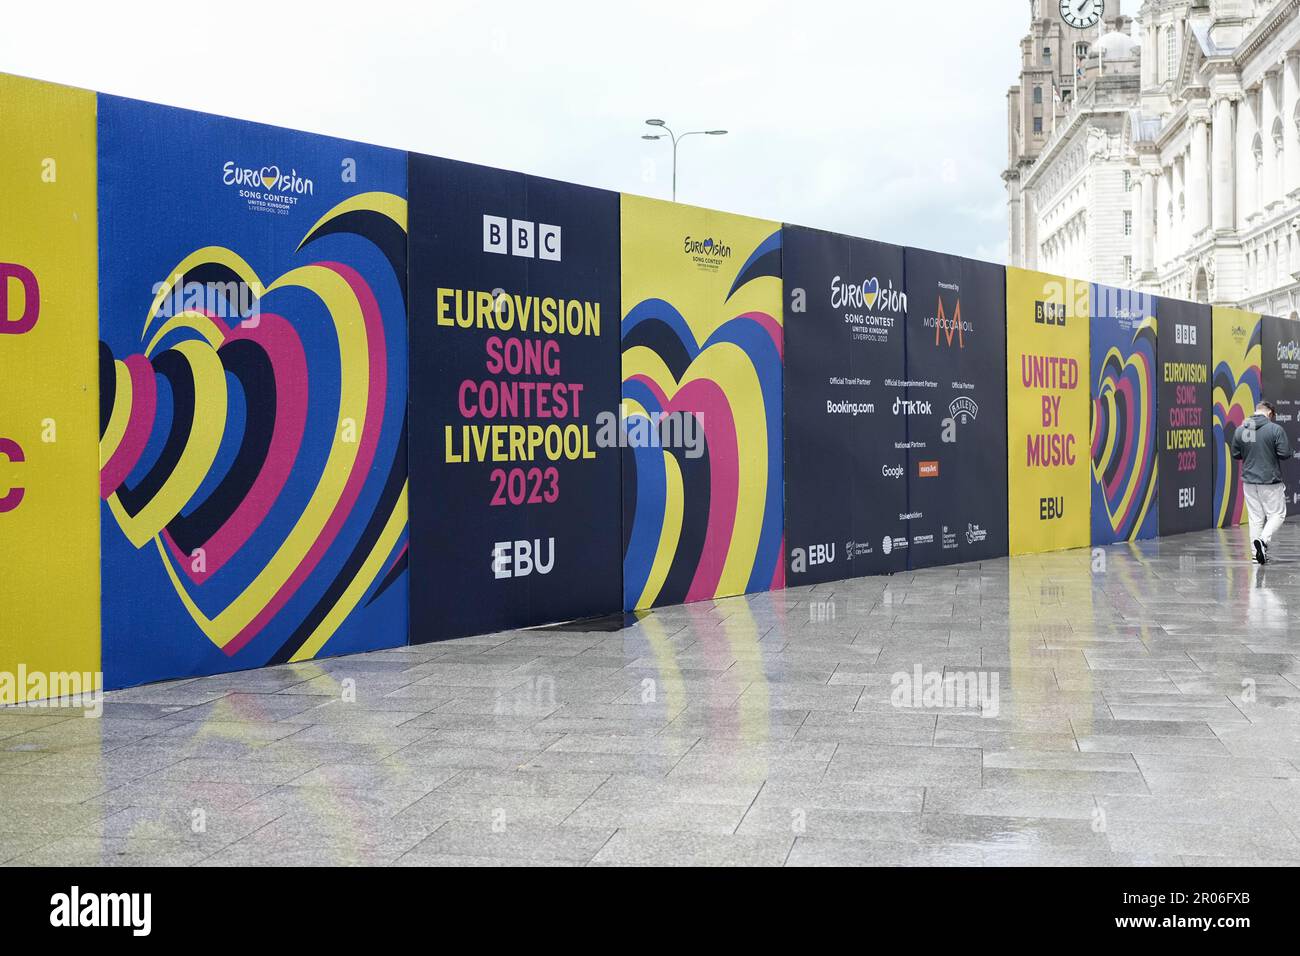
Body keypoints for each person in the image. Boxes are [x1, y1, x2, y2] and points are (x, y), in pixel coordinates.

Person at [1230, 400, 1293, 564]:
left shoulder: (1242, 429)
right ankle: (1263, 541)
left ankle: (1255, 556)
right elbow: (1285, 453)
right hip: (1269, 479)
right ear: (1270, 413)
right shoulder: (1275, 429)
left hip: (1249, 480)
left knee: (1255, 518)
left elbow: (1236, 454)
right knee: (1277, 514)